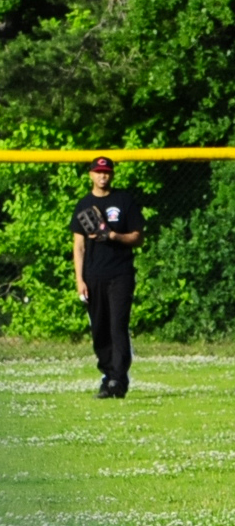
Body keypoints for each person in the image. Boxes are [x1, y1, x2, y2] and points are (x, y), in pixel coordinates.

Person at [71, 156, 144, 399]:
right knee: (100, 328)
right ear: (90, 174)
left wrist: (112, 235)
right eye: (98, 171)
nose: (103, 175)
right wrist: (79, 280)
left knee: (117, 325)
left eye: (107, 171)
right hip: (93, 276)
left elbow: (138, 237)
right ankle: (107, 376)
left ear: (112, 174)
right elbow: (78, 247)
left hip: (120, 273)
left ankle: (117, 380)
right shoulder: (83, 204)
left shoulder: (124, 200)